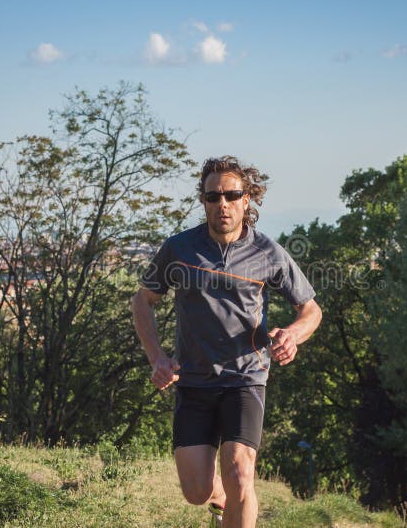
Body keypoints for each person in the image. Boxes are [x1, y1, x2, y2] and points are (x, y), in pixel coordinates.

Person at [131, 156, 322, 528]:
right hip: (194, 380)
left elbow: (311, 310)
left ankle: (232, 499)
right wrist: (157, 357)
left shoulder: (268, 252)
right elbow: (142, 300)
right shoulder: (179, 249)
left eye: (232, 195)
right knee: (196, 491)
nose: (223, 204)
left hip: (245, 379)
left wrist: (292, 334)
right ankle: (217, 498)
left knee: (240, 474)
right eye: (213, 196)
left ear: (247, 199)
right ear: (203, 201)